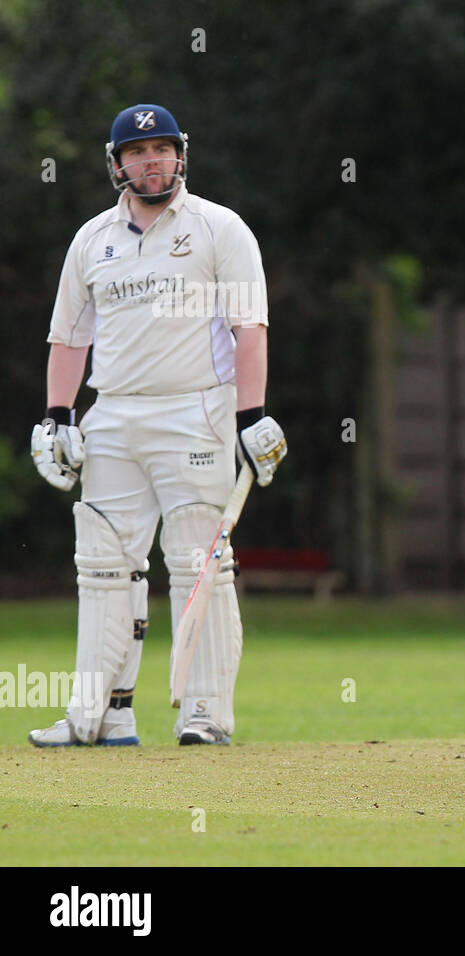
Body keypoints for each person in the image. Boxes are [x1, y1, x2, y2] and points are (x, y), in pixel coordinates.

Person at [29, 103, 286, 747]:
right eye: (138, 153)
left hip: (194, 408)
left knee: (199, 560)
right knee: (102, 563)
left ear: (181, 156)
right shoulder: (92, 240)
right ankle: (98, 716)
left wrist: (250, 416)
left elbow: (248, 327)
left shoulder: (217, 228)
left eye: (163, 150)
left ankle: (204, 713)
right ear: (117, 164)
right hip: (112, 411)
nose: (152, 161)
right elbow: (69, 337)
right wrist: (59, 416)